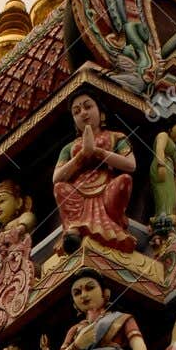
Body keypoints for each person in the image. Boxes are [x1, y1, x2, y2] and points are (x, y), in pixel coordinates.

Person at [52, 93, 137, 254]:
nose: (83, 113)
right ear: (74, 121)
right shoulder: (69, 148)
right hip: (77, 194)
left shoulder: (116, 137)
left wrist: (98, 152)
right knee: (60, 188)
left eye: (88, 106)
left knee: (125, 180)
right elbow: (56, 178)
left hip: (107, 190)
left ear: (101, 113)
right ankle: (74, 227)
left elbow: (130, 165)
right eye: (76, 111)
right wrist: (82, 155)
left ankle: (113, 221)